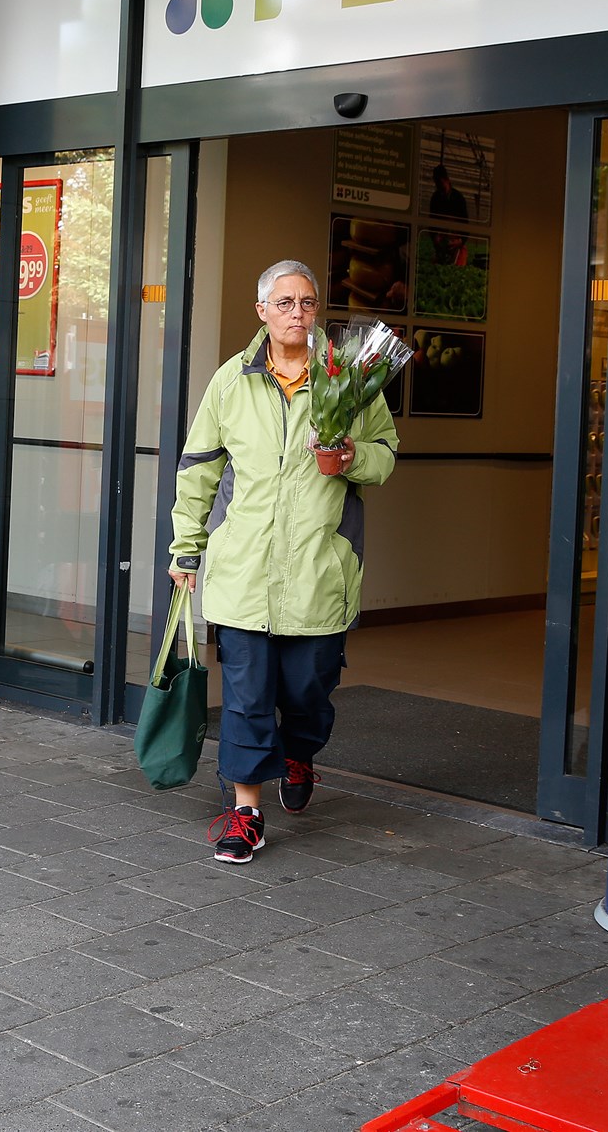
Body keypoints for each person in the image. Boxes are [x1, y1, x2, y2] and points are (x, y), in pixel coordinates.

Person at [169, 260, 399, 865]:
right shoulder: (232, 380)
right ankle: (245, 812)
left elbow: (385, 455)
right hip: (244, 572)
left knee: (307, 692)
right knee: (245, 697)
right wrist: (186, 548)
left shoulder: (349, 378)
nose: (298, 312)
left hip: (320, 571)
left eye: (307, 302)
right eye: (285, 302)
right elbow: (199, 469)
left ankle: (299, 751)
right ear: (262, 312)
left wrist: (350, 457)